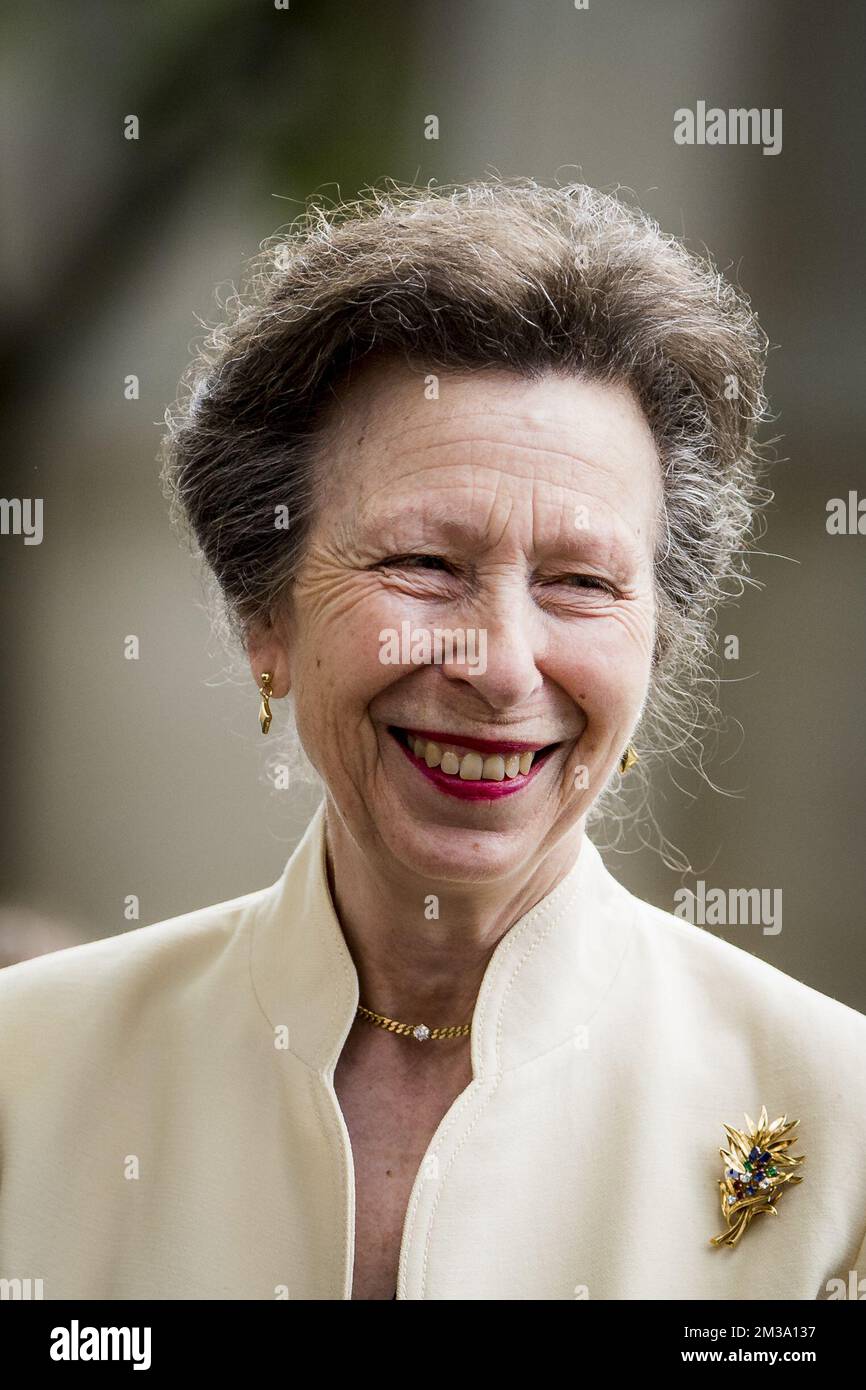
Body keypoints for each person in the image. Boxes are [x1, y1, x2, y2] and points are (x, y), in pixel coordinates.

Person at [1, 180, 864, 1301]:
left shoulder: (839, 1123)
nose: (502, 665)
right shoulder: (25, 1075)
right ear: (263, 616)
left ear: (654, 645)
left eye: (580, 583)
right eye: (423, 564)